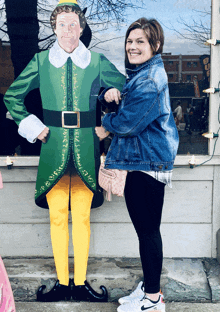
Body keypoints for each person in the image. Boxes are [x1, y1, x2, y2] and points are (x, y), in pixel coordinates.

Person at [4, 0, 125, 302]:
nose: (68, 30)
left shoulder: (96, 62)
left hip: (85, 148)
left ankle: (80, 284)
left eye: (74, 24)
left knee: (81, 218)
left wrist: (108, 123)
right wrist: (32, 126)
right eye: (62, 24)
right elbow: (13, 98)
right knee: (57, 217)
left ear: (81, 29)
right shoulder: (41, 62)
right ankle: (61, 283)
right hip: (53, 147)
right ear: (54, 28)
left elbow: (130, 93)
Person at [96, 18, 179, 312]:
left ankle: (153, 300)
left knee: (147, 231)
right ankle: (149, 288)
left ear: (155, 45)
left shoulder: (148, 79)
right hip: (145, 162)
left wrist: (106, 123)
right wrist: (111, 96)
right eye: (130, 41)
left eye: (140, 42)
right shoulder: (142, 74)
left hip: (146, 164)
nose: (132, 46)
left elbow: (127, 123)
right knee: (147, 230)